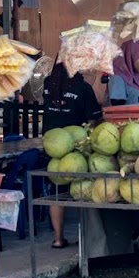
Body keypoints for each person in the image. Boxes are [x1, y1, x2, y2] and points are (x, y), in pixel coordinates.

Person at [43, 62, 102, 249]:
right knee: (82, 190)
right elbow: (93, 119)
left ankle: (58, 238)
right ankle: (87, 238)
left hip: (52, 146)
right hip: (76, 147)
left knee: (57, 193)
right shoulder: (83, 88)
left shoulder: (47, 84)